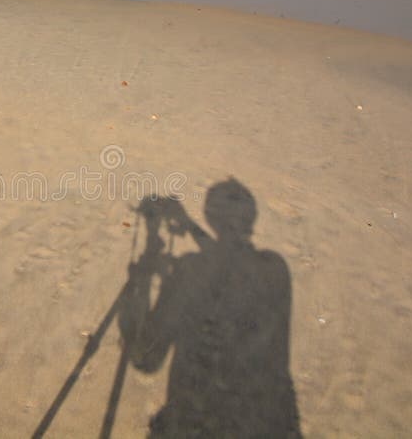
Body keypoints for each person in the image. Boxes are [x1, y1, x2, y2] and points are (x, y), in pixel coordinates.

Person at [119, 180, 301, 438]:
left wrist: (138, 284)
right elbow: (231, 265)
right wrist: (189, 225)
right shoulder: (275, 269)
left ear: (209, 216)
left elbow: (146, 359)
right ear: (252, 220)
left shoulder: (189, 271)